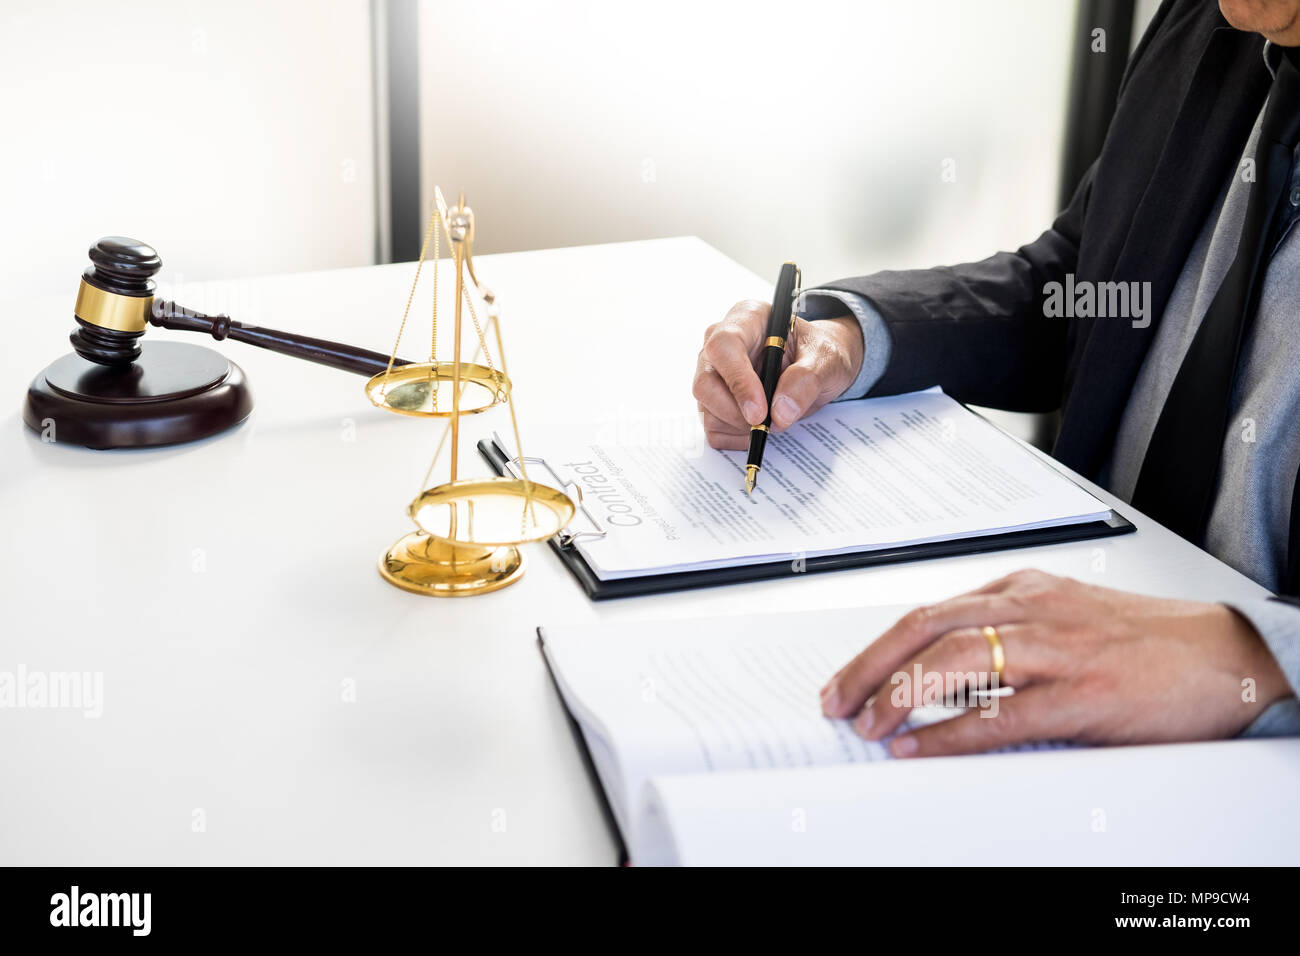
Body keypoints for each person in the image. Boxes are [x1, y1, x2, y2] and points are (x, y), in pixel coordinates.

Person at [693, 0, 1300, 757]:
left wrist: (1252, 655)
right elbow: (1089, 287)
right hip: (1061, 640)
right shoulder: (1219, 20)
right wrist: (850, 340)